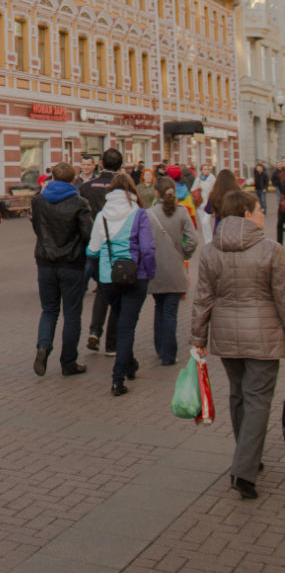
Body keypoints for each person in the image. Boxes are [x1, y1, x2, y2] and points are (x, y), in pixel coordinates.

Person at [191, 189, 285, 500]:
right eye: (259, 210)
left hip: (226, 335)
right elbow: (282, 299)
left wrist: (198, 339)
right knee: (257, 399)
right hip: (264, 336)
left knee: (238, 395)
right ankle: (244, 471)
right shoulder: (271, 250)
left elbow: (203, 298)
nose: (263, 214)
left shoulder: (210, 251)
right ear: (246, 214)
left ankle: (249, 456)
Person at [86, 172, 156, 395]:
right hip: (136, 276)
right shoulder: (139, 214)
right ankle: (118, 379)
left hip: (109, 279)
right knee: (127, 326)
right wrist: (149, 271)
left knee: (121, 320)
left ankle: (130, 363)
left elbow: (93, 250)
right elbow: (147, 249)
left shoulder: (101, 216)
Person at [30, 162, 93, 377]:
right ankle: (69, 362)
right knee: (72, 313)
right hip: (72, 263)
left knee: (49, 310)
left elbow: (37, 228)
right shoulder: (79, 202)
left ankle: (43, 346)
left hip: (45, 262)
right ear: (73, 179)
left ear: (53, 178)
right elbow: (87, 234)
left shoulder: (38, 201)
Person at [147, 176, 198, 366]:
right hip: (176, 269)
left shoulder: (149, 213)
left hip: (155, 269)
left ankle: (160, 348)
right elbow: (193, 239)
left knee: (159, 308)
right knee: (170, 312)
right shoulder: (182, 213)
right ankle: (169, 354)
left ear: (156, 192)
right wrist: (184, 254)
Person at [82, 146, 124, 354]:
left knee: (102, 290)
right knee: (116, 293)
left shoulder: (87, 186)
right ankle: (112, 344)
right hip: (118, 246)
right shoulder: (122, 187)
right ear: (121, 166)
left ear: (100, 164)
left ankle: (94, 331)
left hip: (93, 244)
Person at [206, 169, 239, 236]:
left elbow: (208, 210)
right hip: (236, 227)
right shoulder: (238, 193)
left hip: (219, 227)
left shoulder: (215, 194)